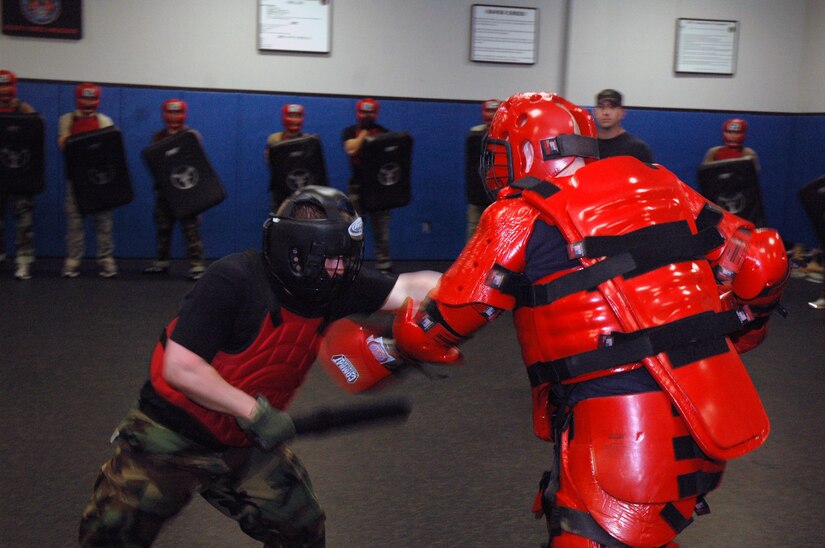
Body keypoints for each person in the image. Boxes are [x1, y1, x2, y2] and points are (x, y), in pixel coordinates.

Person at [360, 92, 787, 546]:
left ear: (522, 152)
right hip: (703, 407)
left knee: (596, 534)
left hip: (621, 433)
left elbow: (438, 327)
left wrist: (388, 344)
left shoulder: (520, 214)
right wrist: (739, 326)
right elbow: (762, 256)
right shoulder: (661, 183)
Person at [78, 185, 441, 547]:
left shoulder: (333, 283)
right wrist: (254, 413)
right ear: (297, 252)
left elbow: (412, 286)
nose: (342, 268)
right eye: (332, 257)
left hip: (244, 443)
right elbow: (180, 367)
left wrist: (482, 286)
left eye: (346, 258)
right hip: (169, 435)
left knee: (302, 532)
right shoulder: (233, 279)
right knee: (108, 540)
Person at [57, 82, 117, 278]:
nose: (88, 102)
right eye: (85, 98)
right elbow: (64, 145)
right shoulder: (67, 119)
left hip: (100, 180)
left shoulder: (105, 121)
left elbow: (110, 150)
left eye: (92, 98)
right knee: (75, 223)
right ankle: (73, 262)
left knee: (103, 223)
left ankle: (106, 260)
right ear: (78, 98)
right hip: (76, 180)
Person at [143, 99, 207, 281]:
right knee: (163, 227)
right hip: (165, 191)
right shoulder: (158, 136)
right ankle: (161, 263)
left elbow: (198, 163)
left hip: (187, 190)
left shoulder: (191, 135)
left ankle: (196, 266)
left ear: (183, 114)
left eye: (177, 112)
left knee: (191, 228)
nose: (173, 116)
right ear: (164, 114)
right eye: (170, 113)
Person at [342, 98, 393, 273]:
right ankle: (353, 266)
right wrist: (365, 132)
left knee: (381, 232)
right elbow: (351, 149)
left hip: (380, 190)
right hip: (358, 188)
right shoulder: (350, 131)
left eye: (370, 112)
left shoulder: (384, 132)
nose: (366, 115)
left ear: (375, 113)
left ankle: (384, 267)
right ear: (358, 113)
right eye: (363, 112)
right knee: (355, 229)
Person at [0, 69, 37, 280]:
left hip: (20, 173)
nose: (4, 90)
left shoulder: (24, 109)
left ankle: (23, 261)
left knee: (23, 220)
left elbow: (34, 141)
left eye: (7, 86)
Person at [465, 99, 500, 241]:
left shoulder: (505, 135)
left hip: (496, 193)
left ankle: (493, 261)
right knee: (474, 229)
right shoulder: (475, 135)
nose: (491, 116)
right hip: (477, 191)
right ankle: (471, 260)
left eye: (494, 112)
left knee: (496, 229)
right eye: (489, 111)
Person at [265, 103, 308, 211]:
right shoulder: (275, 139)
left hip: (302, 188)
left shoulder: (308, 140)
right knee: (278, 219)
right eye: (292, 115)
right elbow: (270, 161)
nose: (294, 119)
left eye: (297, 116)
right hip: (280, 189)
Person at [593, 88, 654, 162]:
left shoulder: (637, 149)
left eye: (612, 107)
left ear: (622, 113)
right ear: (594, 112)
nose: (606, 112)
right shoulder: (586, 147)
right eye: (601, 107)